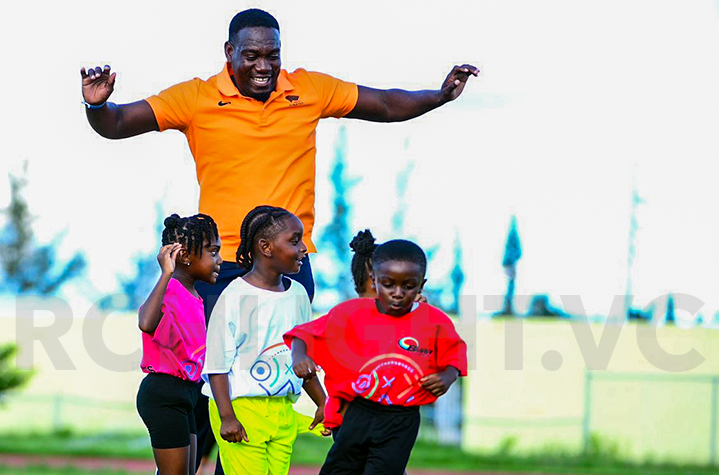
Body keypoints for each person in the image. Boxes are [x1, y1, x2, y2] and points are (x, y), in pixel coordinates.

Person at [80, 8, 479, 313]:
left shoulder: (308, 89)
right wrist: (95, 106)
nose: (264, 66)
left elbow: (386, 104)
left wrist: (438, 96)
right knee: (217, 378)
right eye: (252, 55)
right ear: (229, 52)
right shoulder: (195, 98)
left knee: (284, 372)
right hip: (222, 261)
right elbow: (116, 123)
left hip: (290, 258)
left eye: (273, 55)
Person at [277, 239, 468, 475]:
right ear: (374, 280)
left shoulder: (433, 322)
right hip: (357, 415)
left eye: (408, 286)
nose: (398, 293)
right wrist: (301, 358)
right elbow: (304, 335)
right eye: (389, 284)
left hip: (398, 423)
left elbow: (454, 356)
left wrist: (446, 377)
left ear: (422, 285)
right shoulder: (352, 314)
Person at [201, 205, 328, 475]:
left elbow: (303, 359)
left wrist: (322, 402)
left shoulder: (298, 297)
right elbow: (217, 364)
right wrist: (226, 416)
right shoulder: (235, 296)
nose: (303, 248)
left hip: (281, 410)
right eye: (294, 241)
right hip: (240, 407)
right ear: (265, 246)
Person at [135, 213, 222, 475]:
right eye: (213, 252)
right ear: (185, 256)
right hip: (163, 393)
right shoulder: (170, 289)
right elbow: (145, 321)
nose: (219, 260)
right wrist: (165, 273)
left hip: (187, 393)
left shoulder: (196, 296)